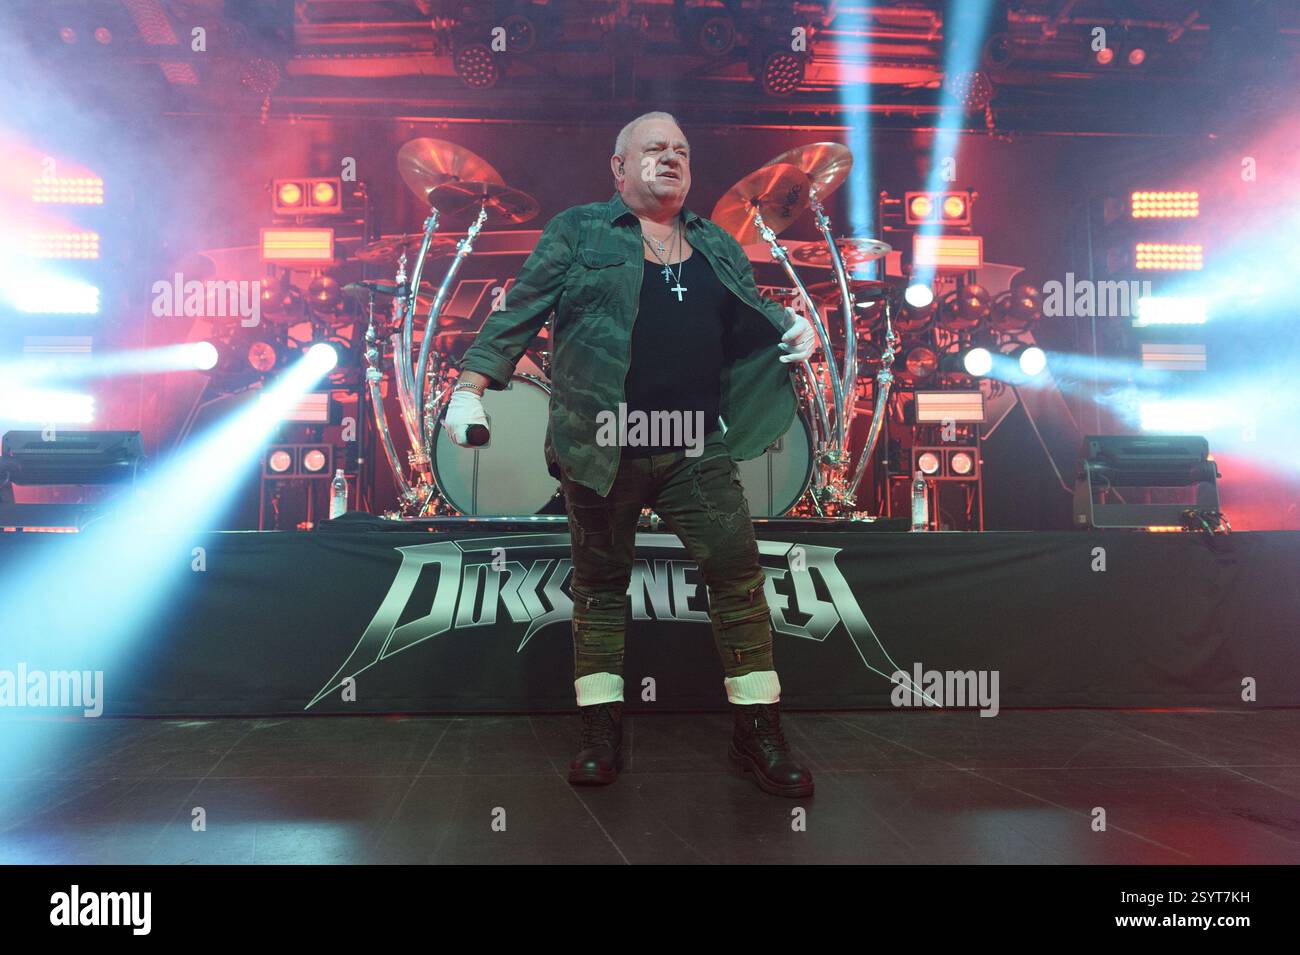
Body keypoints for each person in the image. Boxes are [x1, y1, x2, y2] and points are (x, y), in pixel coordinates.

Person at [445, 112, 816, 797]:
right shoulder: (579, 230)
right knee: (600, 585)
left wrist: (791, 327)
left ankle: (756, 730)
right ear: (619, 169)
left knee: (736, 576)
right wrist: (469, 390)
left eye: (681, 149)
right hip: (603, 441)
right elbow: (518, 311)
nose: (670, 157)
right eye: (654, 149)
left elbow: (748, 317)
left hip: (691, 442)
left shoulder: (716, 243)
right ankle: (600, 728)